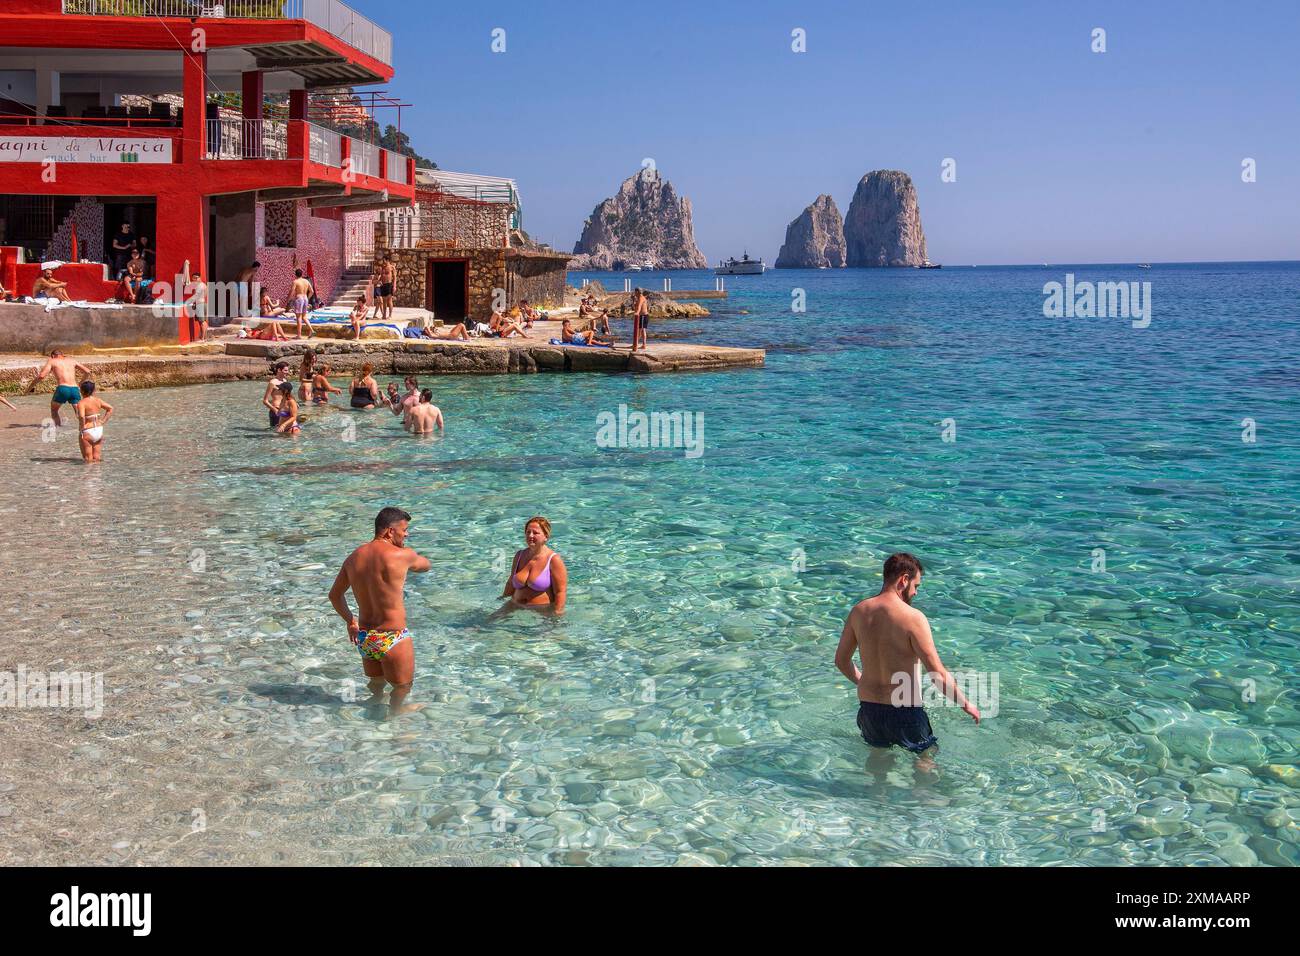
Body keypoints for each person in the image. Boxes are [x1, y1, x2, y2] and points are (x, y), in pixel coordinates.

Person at [834, 553, 980, 768]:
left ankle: (875, 801)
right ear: (903, 579)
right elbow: (937, 673)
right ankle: (924, 800)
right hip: (905, 711)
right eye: (916, 585)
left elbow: (841, 660)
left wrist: (863, 681)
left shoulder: (859, 611)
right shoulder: (913, 617)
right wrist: (966, 704)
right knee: (925, 758)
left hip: (869, 709)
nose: (915, 592)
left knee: (877, 762)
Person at [328, 507, 431, 716]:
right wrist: (409, 554)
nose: (407, 534)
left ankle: (374, 705)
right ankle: (396, 713)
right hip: (393, 637)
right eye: (405, 529)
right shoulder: (403, 555)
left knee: (376, 682)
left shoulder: (353, 558)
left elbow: (334, 596)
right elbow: (425, 565)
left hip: (366, 637)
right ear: (390, 531)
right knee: (403, 686)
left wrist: (350, 621)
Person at [501, 516, 567, 615]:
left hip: (540, 612)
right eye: (528, 532)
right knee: (484, 626)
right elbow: (511, 583)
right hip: (514, 606)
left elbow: (560, 592)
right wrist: (501, 600)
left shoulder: (554, 560)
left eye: (535, 533)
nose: (530, 536)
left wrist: (557, 614)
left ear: (546, 536)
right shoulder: (519, 555)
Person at [26, 348, 92, 426]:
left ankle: (58, 430)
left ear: (53, 356)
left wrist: (29, 388)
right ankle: (88, 428)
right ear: (62, 355)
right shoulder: (72, 361)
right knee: (79, 414)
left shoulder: (52, 361)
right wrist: (80, 383)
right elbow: (88, 371)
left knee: (54, 411)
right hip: (75, 389)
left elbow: (41, 376)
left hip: (63, 388)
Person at [76, 379, 113, 463]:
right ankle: (97, 475)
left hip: (87, 430)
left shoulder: (81, 403)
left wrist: (82, 428)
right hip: (99, 430)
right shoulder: (98, 400)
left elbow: (81, 416)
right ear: (93, 390)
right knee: (97, 457)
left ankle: (88, 475)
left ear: (81, 391)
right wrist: (103, 421)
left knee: (88, 459)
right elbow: (110, 408)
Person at [262, 361, 291, 427]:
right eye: (285, 370)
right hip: (276, 410)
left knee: (285, 432)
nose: (287, 372)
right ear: (279, 370)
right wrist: (274, 410)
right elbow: (265, 401)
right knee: (275, 434)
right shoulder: (272, 382)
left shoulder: (285, 381)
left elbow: (287, 396)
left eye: (287, 370)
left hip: (285, 410)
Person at [289, 268, 315, 339]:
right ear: (302, 274)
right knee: (304, 317)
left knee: (299, 317)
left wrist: (289, 300)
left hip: (299, 298)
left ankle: (299, 335)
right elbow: (312, 291)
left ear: (295, 274)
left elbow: (292, 291)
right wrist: (308, 298)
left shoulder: (295, 281)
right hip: (305, 298)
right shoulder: (306, 281)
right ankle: (311, 330)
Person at [186, 272, 208, 339]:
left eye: (196, 278)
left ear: (199, 278)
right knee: (203, 321)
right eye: (193, 278)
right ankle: (203, 337)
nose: (194, 279)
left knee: (202, 322)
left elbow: (196, 295)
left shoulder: (199, 286)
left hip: (200, 305)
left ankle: (203, 338)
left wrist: (188, 302)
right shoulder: (203, 285)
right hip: (203, 303)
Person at [375, 256, 396, 321]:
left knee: (389, 300)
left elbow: (395, 277)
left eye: (384, 260)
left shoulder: (392, 267)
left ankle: (390, 315)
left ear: (387, 260)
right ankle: (384, 315)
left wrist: (394, 286)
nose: (383, 262)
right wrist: (379, 281)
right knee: (384, 301)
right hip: (383, 285)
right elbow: (381, 276)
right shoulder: (383, 267)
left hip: (389, 284)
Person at [632, 287, 649, 352]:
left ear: (638, 292)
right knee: (638, 331)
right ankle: (636, 343)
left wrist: (637, 313)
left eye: (635, 292)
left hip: (643, 316)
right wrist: (634, 300)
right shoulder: (638, 298)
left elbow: (639, 307)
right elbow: (636, 306)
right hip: (641, 316)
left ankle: (644, 345)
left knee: (642, 330)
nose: (634, 293)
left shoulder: (641, 298)